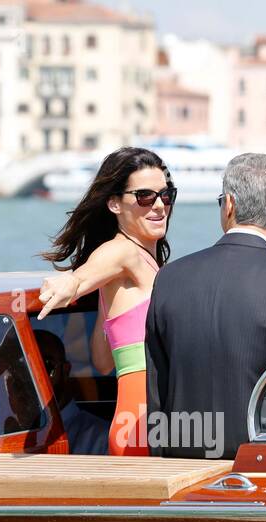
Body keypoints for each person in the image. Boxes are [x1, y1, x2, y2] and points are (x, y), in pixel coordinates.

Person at [145, 152, 266, 459]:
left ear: (228, 204)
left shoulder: (169, 277)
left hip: (180, 461)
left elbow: (156, 386)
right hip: (262, 458)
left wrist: (162, 460)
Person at [36, 147, 172, 456]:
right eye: (145, 197)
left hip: (147, 419)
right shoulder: (122, 252)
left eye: (166, 195)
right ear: (114, 204)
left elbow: (102, 361)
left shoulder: (137, 269)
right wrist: (70, 283)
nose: (160, 206)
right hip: (143, 423)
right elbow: (83, 276)